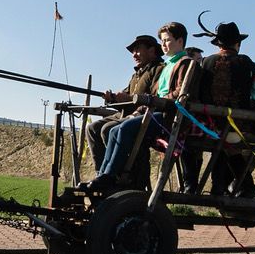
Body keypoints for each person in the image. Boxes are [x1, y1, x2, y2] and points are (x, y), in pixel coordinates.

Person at [83, 22, 194, 192]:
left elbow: (181, 94)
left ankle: (115, 176)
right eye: (162, 41)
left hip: (170, 116)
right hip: (154, 111)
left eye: (167, 40)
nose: (163, 44)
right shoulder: (167, 66)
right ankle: (104, 175)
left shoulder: (184, 64)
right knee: (110, 130)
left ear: (180, 41)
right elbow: (153, 94)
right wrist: (114, 98)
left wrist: (150, 102)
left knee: (122, 128)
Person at [195, 20, 255, 195]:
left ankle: (222, 188)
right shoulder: (246, 63)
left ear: (218, 44)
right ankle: (243, 187)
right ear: (237, 43)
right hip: (237, 127)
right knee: (231, 143)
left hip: (206, 127)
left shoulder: (205, 63)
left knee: (223, 145)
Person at [85, 35, 164, 171]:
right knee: (92, 128)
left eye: (138, 49)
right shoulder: (137, 74)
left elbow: (155, 98)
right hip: (126, 114)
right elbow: (125, 96)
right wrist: (112, 98)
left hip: (144, 115)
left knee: (107, 129)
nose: (134, 54)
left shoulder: (159, 69)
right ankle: (101, 173)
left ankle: (118, 173)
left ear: (151, 50)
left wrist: (128, 98)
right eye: (133, 51)